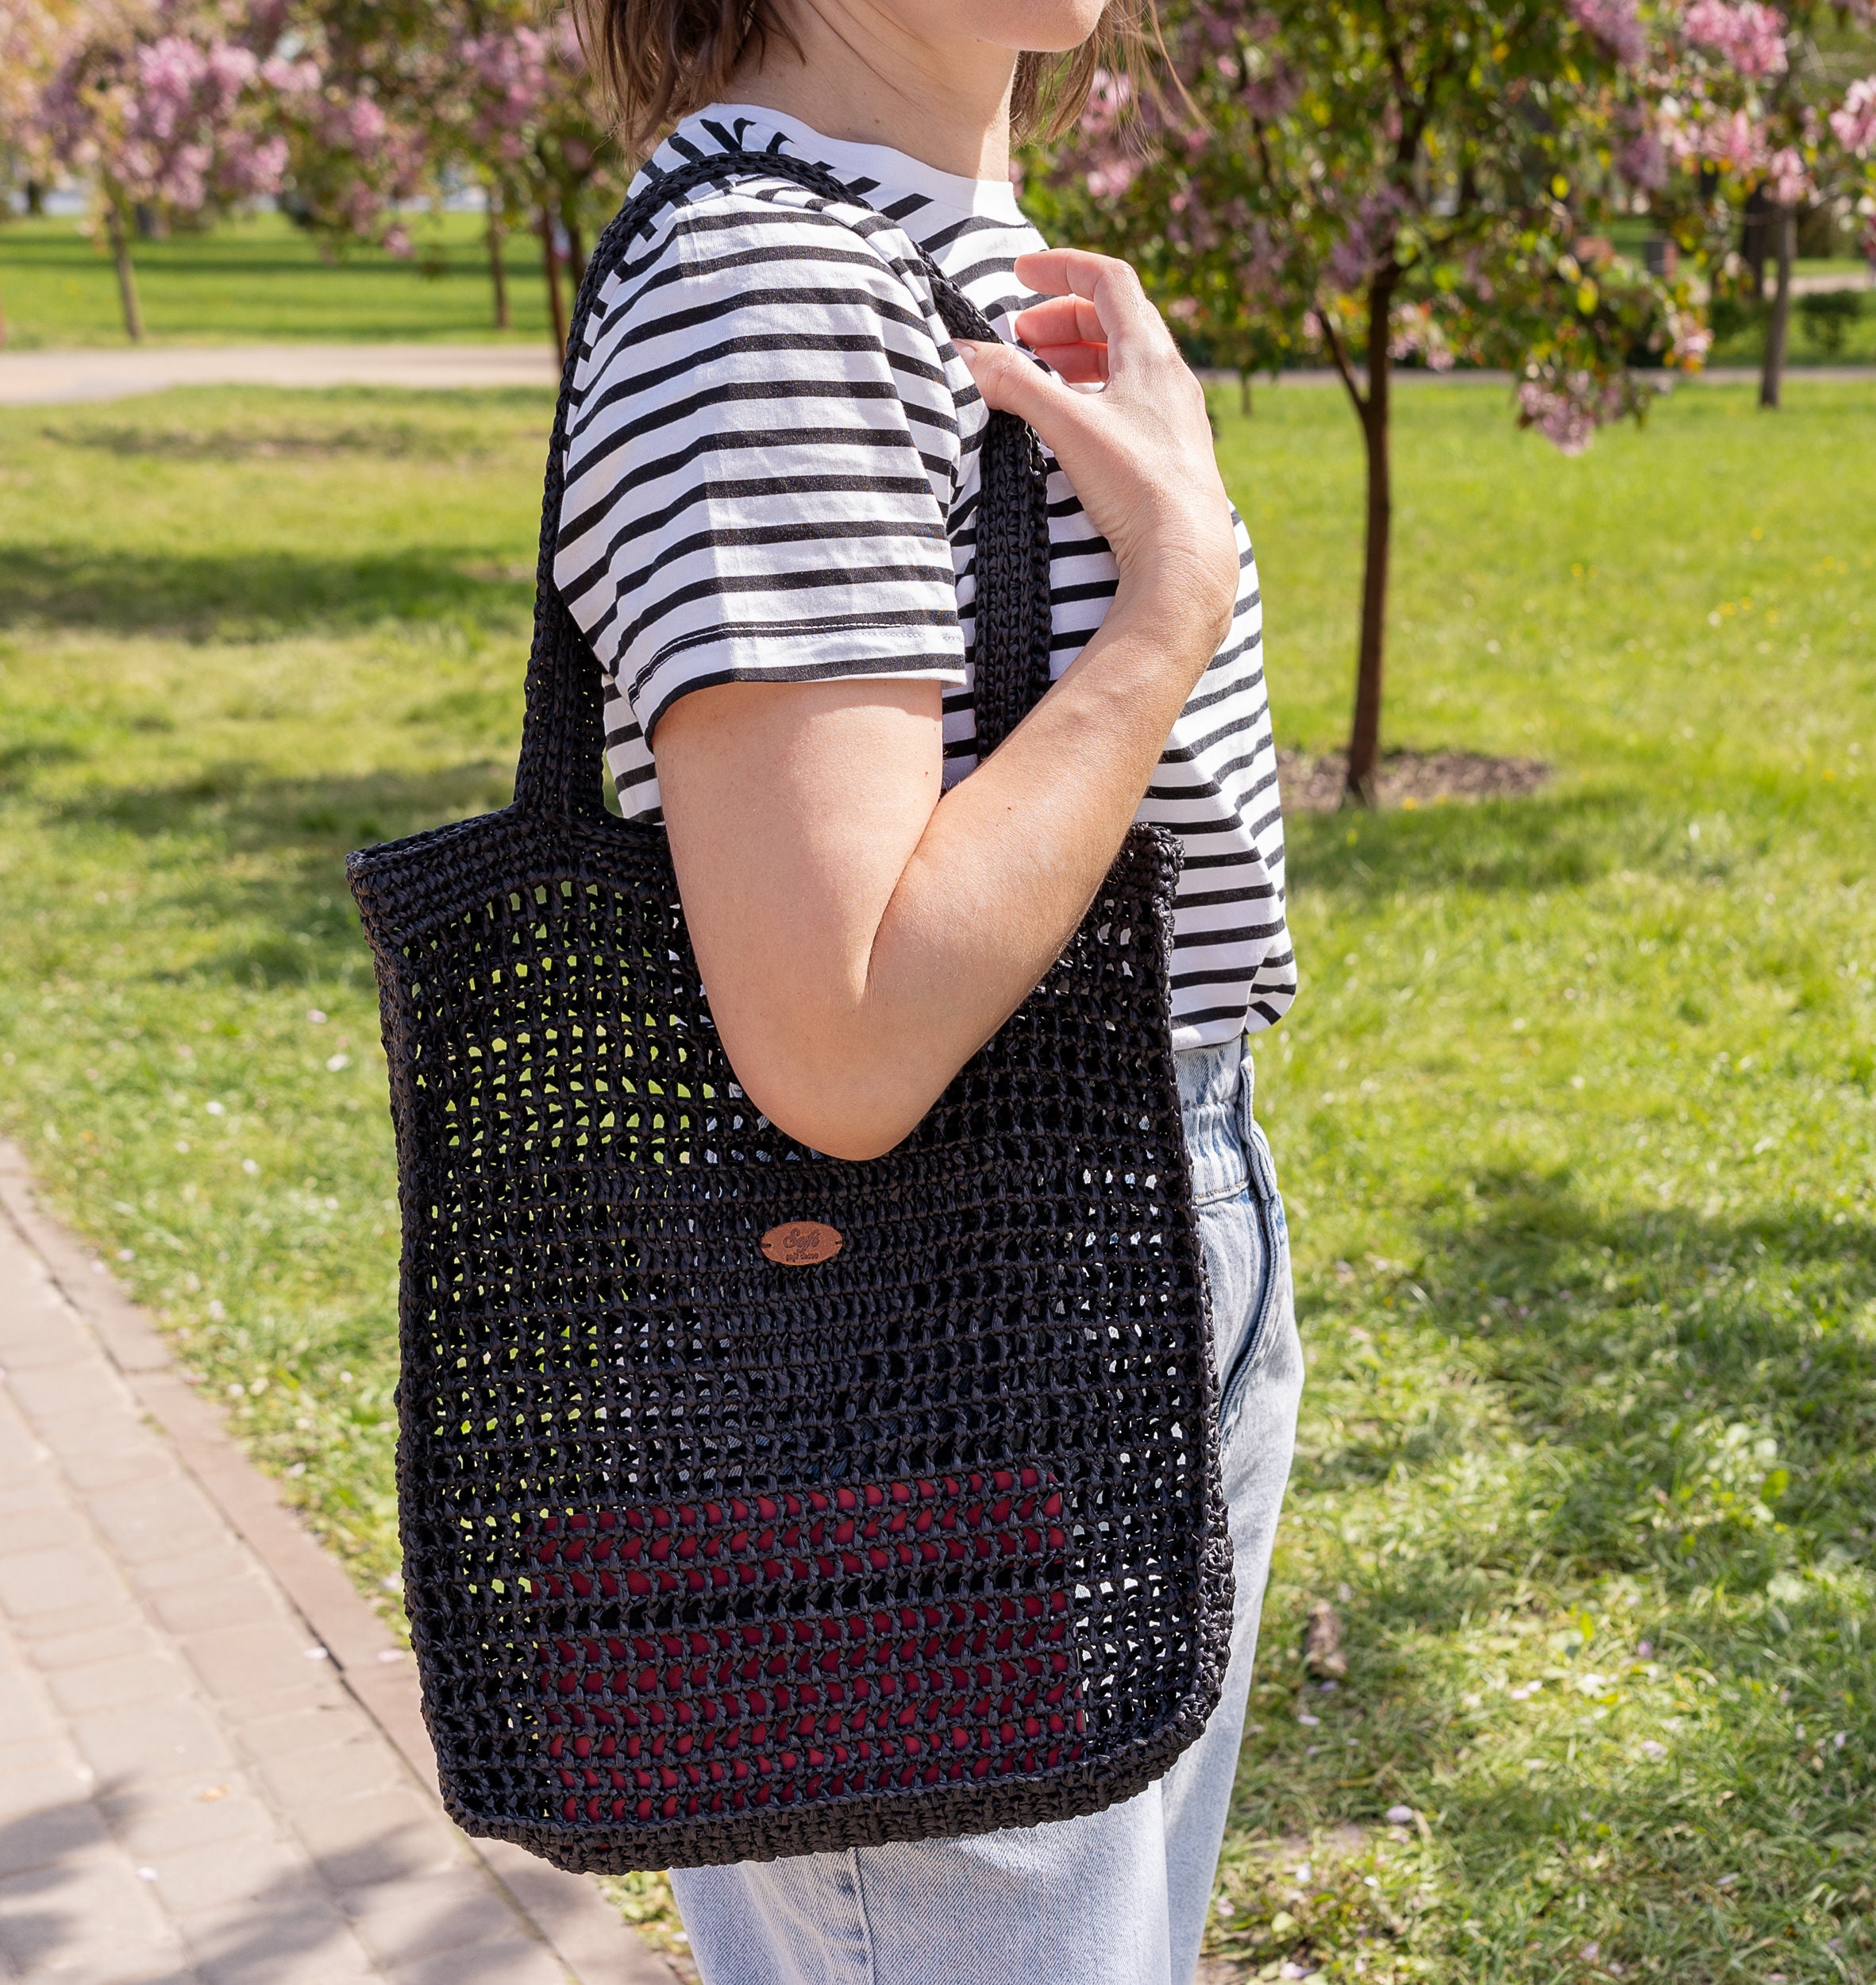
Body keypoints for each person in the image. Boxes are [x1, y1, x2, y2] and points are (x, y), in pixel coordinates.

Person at [556, 2, 1303, 1978]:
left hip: (1115, 1252)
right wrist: (1168, 601)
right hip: (926, 1335)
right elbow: (845, 1034)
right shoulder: (770, 284)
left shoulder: (921, 230)